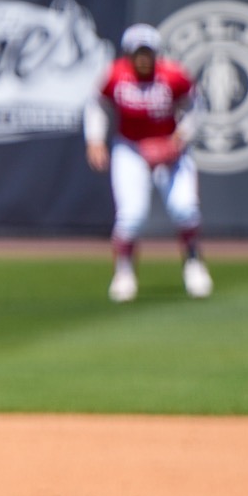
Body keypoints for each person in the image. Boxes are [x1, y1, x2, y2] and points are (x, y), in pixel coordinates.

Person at [85, 23, 212, 303]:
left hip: (169, 147)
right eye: (137, 52)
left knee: (185, 208)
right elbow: (97, 104)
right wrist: (95, 139)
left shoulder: (173, 75)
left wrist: (179, 139)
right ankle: (124, 272)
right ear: (128, 53)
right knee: (131, 216)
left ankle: (193, 263)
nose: (143, 58)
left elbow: (196, 107)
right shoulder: (115, 75)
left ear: (156, 53)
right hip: (131, 147)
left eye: (148, 52)